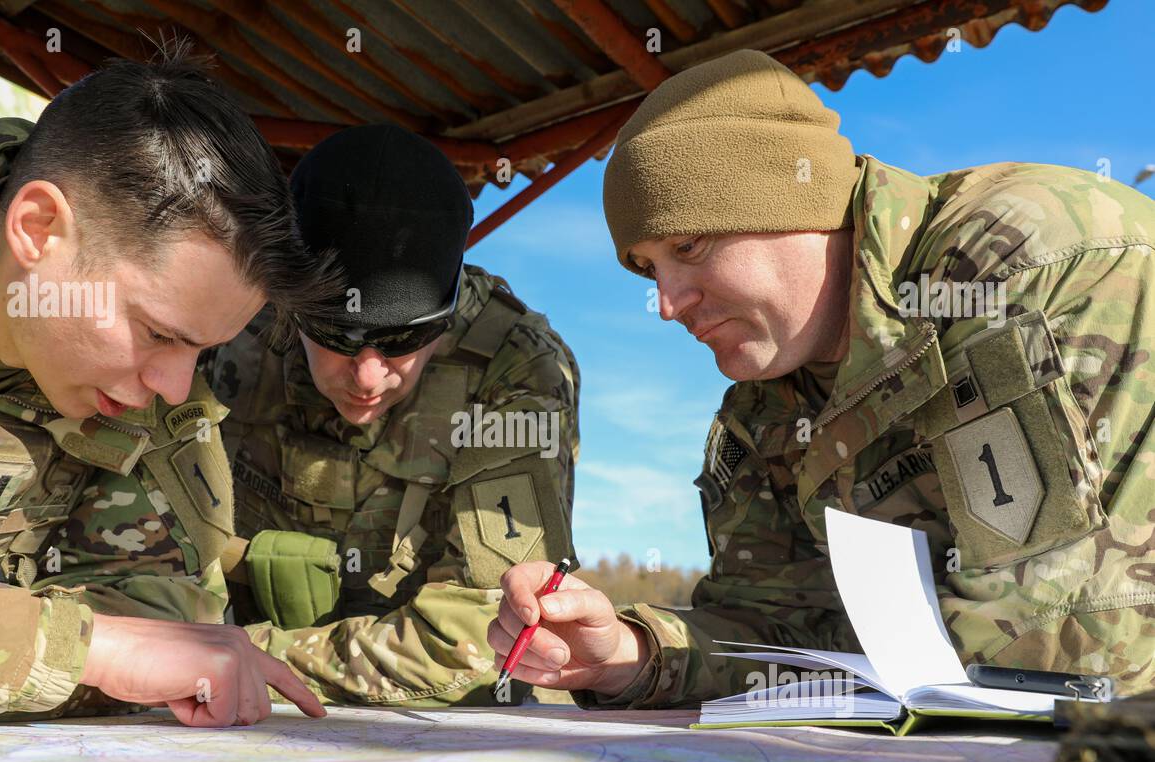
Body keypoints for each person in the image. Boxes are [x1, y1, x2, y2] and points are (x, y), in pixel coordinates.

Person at [489, 49, 1155, 707]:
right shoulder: (763, 413)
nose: (667, 304)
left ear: (798, 201)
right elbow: (786, 631)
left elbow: (1062, 655)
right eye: (648, 268)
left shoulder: (1018, 266)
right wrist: (629, 656)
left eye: (689, 247)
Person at [0, 51, 337, 736]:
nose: (172, 386)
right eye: (157, 332)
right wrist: (81, 648)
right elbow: (115, 645)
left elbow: (172, 619)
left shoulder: (141, 394)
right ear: (37, 230)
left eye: (202, 349)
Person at [206, 124, 580, 706]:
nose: (368, 376)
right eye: (333, 332)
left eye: (405, 339)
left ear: (449, 310)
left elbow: (477, 638)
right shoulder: (226, 327)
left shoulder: (515, 364)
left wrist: (225, 655)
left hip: (432, 728)